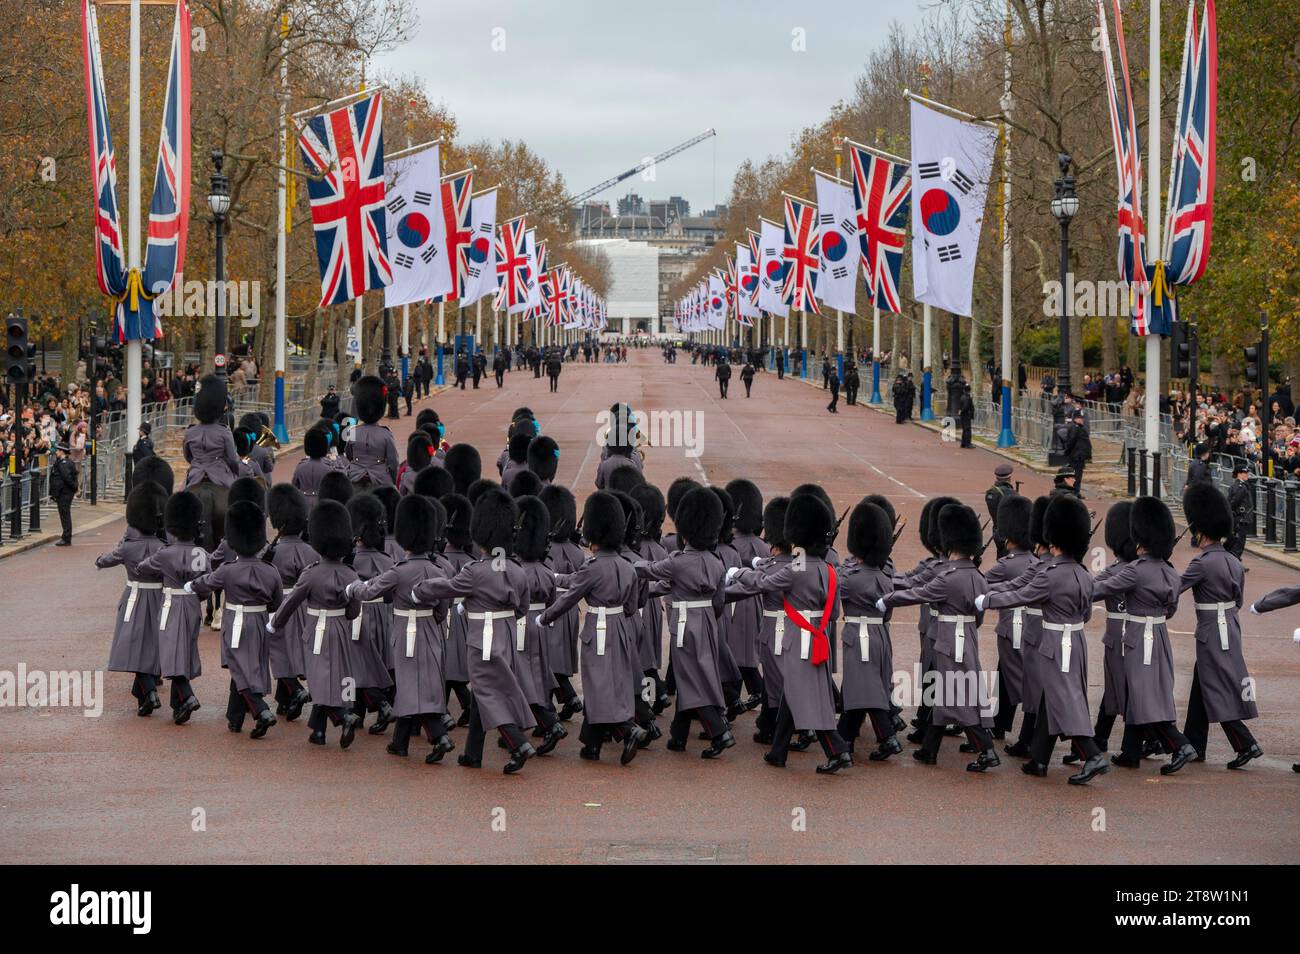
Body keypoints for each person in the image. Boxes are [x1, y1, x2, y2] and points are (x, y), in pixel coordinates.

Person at [980, 495, 1108, 784]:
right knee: (1052, 696)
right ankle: (1039, 759)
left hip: (1053, 643)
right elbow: (1086, 614)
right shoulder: (1084, 574)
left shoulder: (1050, 574)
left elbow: (1019, 595)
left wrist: (986, 600)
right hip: (1076, 643)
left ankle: (1092, 755)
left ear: (1054, 539)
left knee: (1064, 698)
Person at [413, 488, 538, 774]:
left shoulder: (475, 570)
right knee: (487, 691)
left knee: (487, 691)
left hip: (483, 637)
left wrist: (421, 589)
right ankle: (472, 753)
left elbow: (449, 586)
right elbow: (522, 607)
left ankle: (518, 743)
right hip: (506, 634)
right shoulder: (517, 570)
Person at [728, 493, 852, 773]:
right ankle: (778, 751)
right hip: (820, 638)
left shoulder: (796, 568)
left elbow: (764, 583)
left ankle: (837, 749)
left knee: (805, 697)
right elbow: (833, 613)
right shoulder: (829, 570)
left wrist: (739, 574)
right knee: (793, 694)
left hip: (798, 640)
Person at [886, 503, 1001, 773]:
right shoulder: (977, 575)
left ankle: (987, 751)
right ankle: (929, 749)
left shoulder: (948, 576)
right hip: (966, 638)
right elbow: (979, 615)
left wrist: (885, 598)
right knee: (946, 693)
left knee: (958, 695)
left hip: (949, 641)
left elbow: (917, 593)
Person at [1091, 496, 1200, 775]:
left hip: (1138, 637)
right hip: (1160, 635)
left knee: (1139, 695)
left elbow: (1098, 591)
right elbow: (1171, 609)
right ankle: (1130, 752)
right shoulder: (1170, 572)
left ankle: (1180, 745)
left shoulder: (1134, 571)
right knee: (1147, 692)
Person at [347, 493, 457, 764]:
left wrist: (351, 588)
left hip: (405, 631)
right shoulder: (437, 570)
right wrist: (435, 619)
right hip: (430, 628)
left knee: (409, 686)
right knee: (421, 685)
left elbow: (370, 590)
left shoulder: (399, 571)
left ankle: (438, 735)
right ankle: (400, 743)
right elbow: (446, 602)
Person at [637, 487, 735, 758]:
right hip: (706, 622)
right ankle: (678, 736)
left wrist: (623, 563)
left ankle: (719, 732)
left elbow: (647, 570)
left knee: (690, 679)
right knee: (694, 675)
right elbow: (719, 601)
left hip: (683, 625)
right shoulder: (716, 562)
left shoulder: (677, 561)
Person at [1178, 483, 1262, 769]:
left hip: (1211, 630)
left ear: (1200, 531)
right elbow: (1238, 600)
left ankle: (1246, 742)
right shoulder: (1233, 561)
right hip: (1230, 625)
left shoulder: (1200, 563)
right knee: (1204, 683)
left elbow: (1172, 590)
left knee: (1216, 685)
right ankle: (1193, 744)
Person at [265, 499, 359, 747]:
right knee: (337, 677)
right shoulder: (351, 573)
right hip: (340, 629)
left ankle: (342, 717)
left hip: (317, 630)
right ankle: (318, 731)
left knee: (318, 679)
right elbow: (353, 611)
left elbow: (292, 601)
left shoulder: (312, 572)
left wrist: (275, 623)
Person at [187, 500, 284, 738]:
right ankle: (235, 718)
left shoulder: (228, 569)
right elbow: (276, 601)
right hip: (260, 622)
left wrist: (189, 586)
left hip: (236, 623)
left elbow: (207, 583)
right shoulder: (270, 571)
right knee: (248, 666)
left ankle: (261, 710)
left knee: (239, 667)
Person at [836, 500, 903, 760]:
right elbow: (888, 611)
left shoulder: (850, 578)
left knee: (863, 688)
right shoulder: (884, 577)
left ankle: (887, 738)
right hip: (879, 635)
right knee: (862, 686)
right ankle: (845, 740)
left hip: (858, 637)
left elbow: (827, 597)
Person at [95, 481, 169, 715]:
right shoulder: (163, 546)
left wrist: (100, 558)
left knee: (133, 647)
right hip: (159, 597)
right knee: (152, 645)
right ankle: (144, 695)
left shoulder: (128, 547)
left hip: (134, 598)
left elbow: (105, 560)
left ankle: (148, 692)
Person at [137, 490, 206, 724]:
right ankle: (178, 704)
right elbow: (206, 584)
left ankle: (186, 695)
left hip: (171, 603)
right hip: (193, 603)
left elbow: (143, 568)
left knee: (168, 652)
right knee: (185, 649)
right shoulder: (202, 552)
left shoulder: (166, 553)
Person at [346, 375, 399, 489]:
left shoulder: (352, 432)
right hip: (380, 480)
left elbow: (349, 455)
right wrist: (394, 481)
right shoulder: (386, 434)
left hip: (354, 478)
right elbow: (393, 462)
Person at [984, 463, 1015, 558]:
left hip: (997, 530)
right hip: (1008, 533)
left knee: (1001, 557)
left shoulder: (991, 492)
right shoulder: (1010, 493)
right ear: (1009, 477)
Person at [50, 443, 79, 545]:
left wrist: (74, 487)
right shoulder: (65, 462)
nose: (56, 452)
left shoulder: (64, 463)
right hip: (65, 492)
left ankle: (66, 538)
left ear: (62, 451)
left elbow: (67, 478)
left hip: (64, 493)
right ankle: (66, 537)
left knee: (65, 515)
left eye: (57, 450)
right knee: (64, 514)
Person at [1226, 463, 1253, 558]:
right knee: (1239, 543)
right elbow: (1233, 502)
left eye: (1246, 472)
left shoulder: (1239, 485)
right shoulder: (1240, 487)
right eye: (1244, 472)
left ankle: (1231, 562)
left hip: (1238, 518)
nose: (1246, 474)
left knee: (1233, 542)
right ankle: (1234, 564)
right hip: (1241, 518)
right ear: (1238, 474)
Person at [957, 381, 974, 447]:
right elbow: (966, 407)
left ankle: (963, 443)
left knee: (964, 429)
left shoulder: (962, 396)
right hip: (966, 415)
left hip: (963, 415)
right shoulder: (967, 397)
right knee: (967, 429)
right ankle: (968, 443)